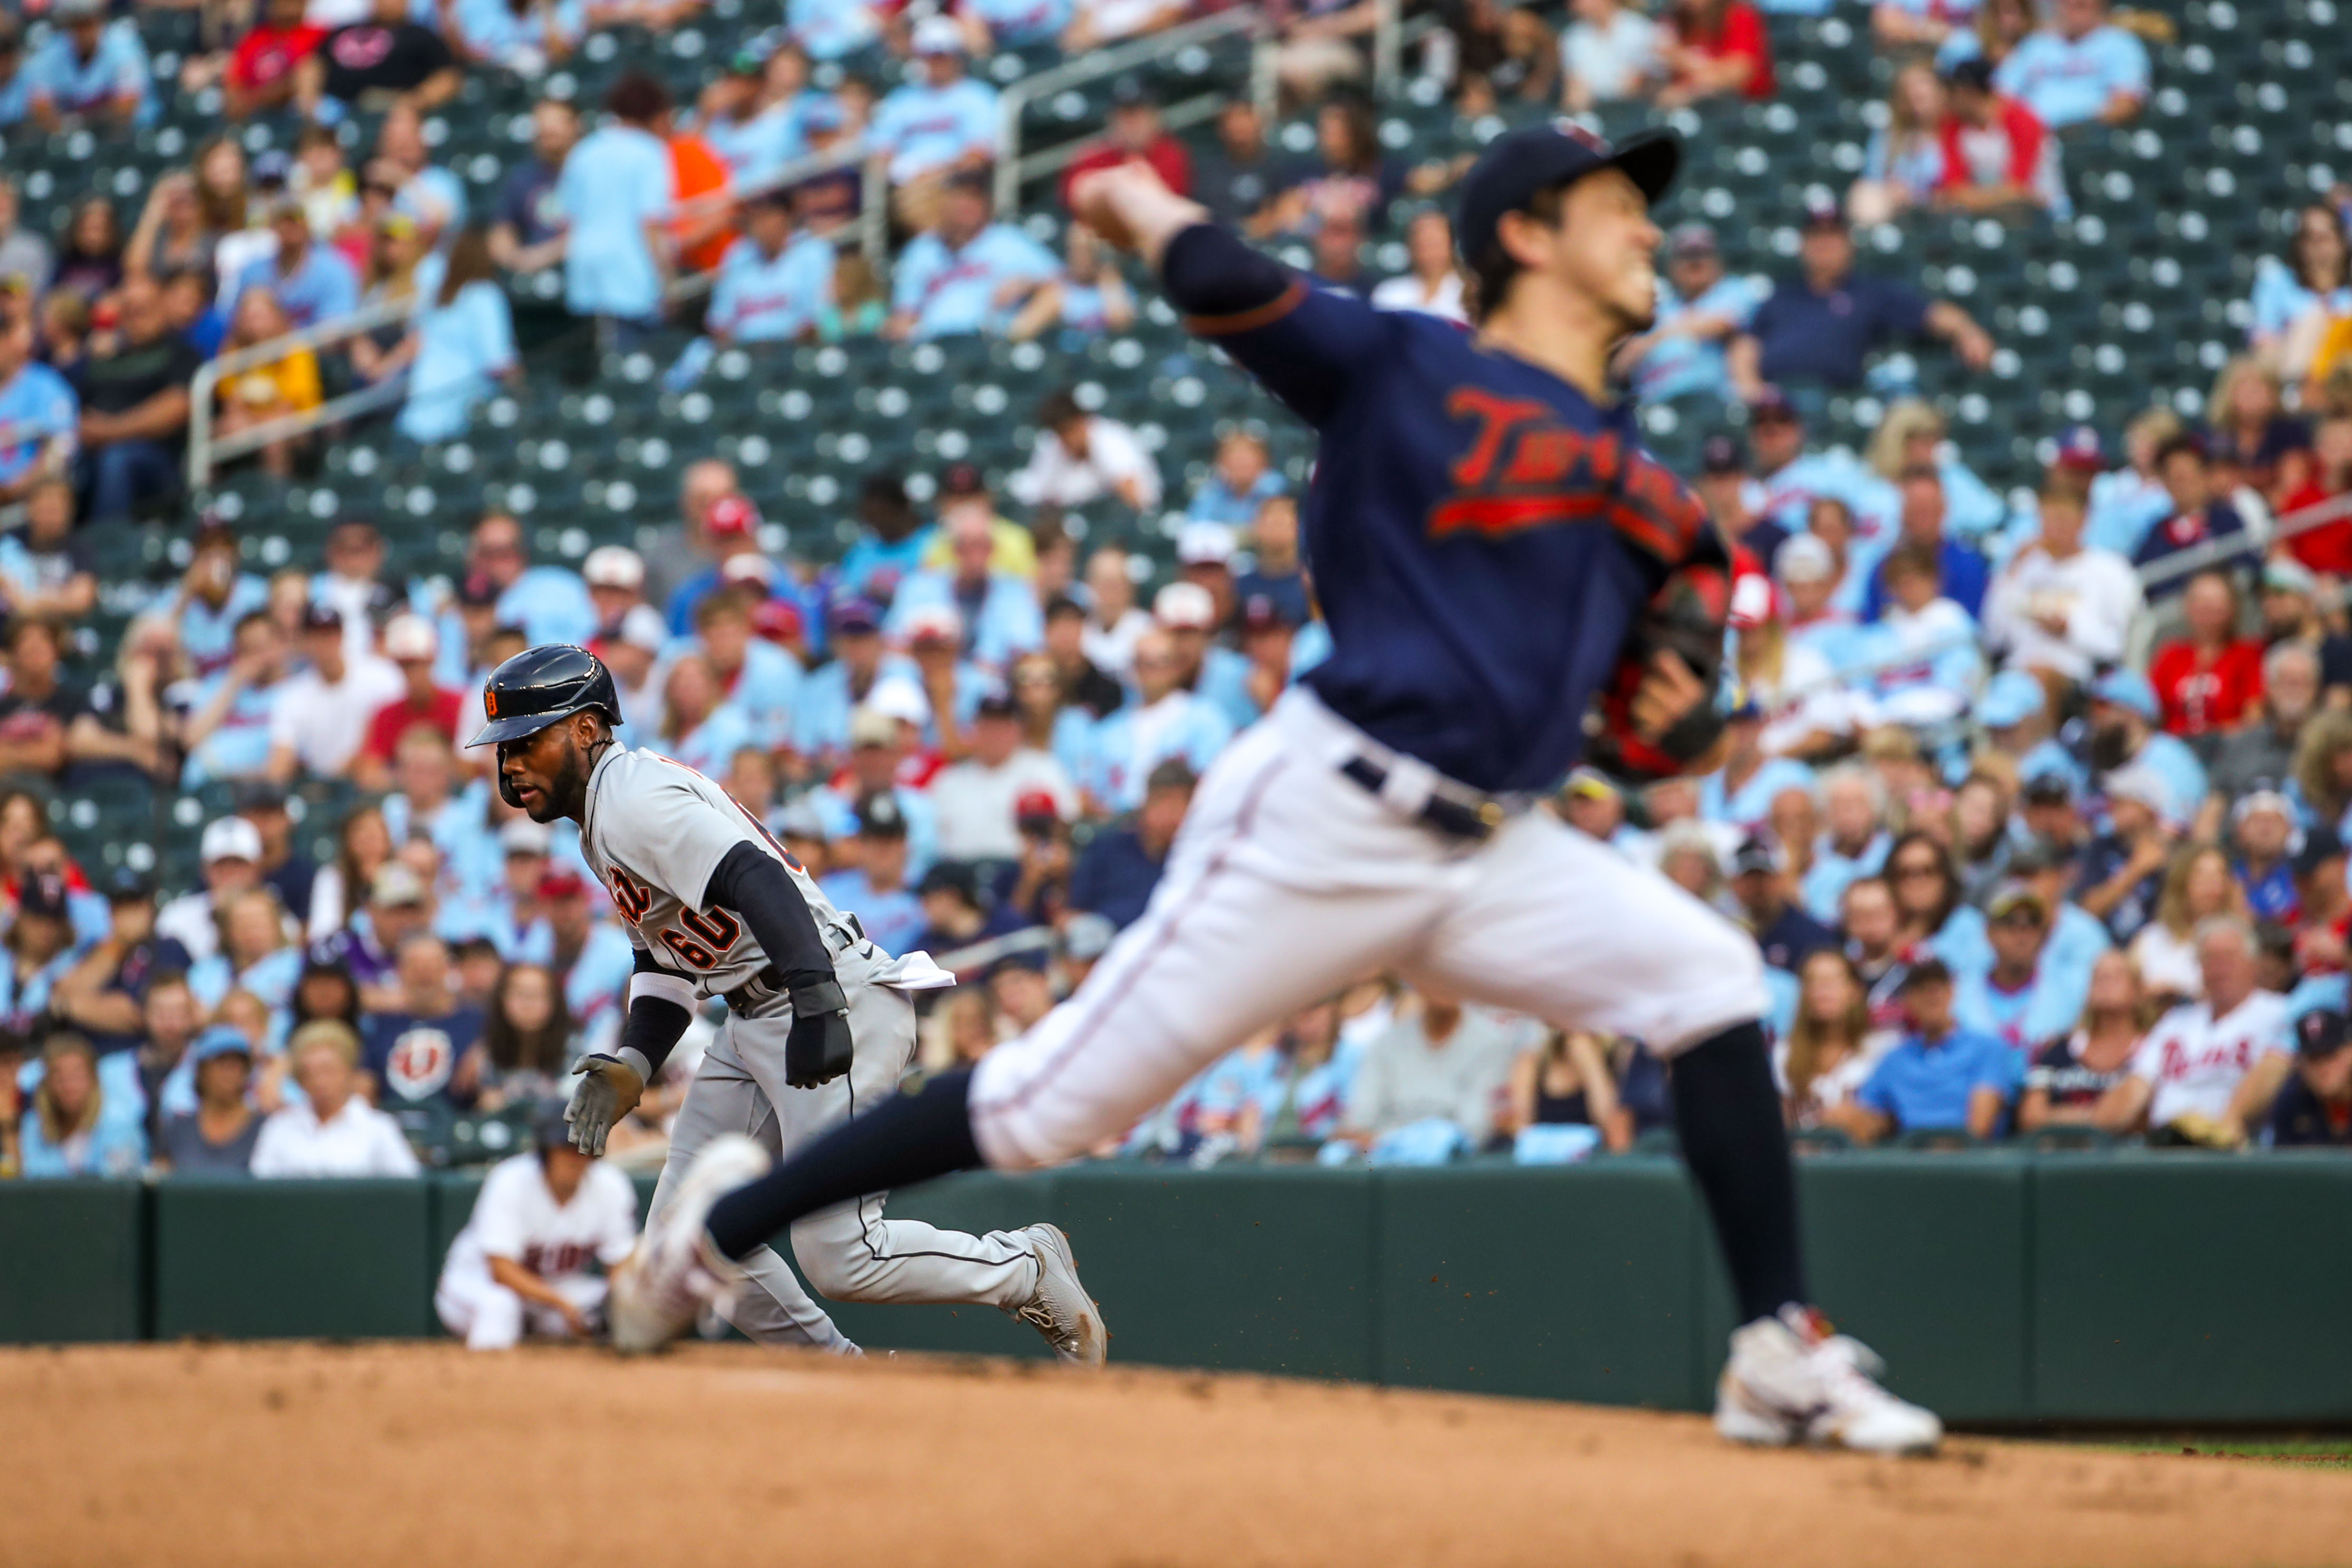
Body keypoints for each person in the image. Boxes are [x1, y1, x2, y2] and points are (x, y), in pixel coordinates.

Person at [620, 130, 1944, 1454]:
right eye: (1616, 206)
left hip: (1493, 845)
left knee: (1710, 981)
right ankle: (723, 1227)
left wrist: (1686, 732)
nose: (1650, 231)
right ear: (1527, 238)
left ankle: (1778, 1347)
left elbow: (1659, 727)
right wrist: (1133, 195)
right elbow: (1230, 282)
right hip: (1330, 814)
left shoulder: (1640, 489)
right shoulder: (1416, 368)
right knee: (1045, 1109)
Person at [469, 644, 1101, 1362]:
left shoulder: (631, 799)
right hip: (754, 1012)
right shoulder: (600, 820)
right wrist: (636, 1061)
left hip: (830, 993)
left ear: (585, 729)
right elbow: (664, 962)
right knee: (687, 1245)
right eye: (503, 749)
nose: (511, 763)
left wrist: (815, 1001)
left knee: (840, 1257)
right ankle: (841, 1375)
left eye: (527, 741)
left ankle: (1023, 1267)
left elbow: (754, 877)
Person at [1730, 204, 1993, 400]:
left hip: (1834, 398)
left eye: (1833, 236)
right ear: (1803, 245)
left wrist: (1967, 331)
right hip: (1777, 401)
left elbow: (1932, 314)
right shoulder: (1782, 295)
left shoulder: (1868, 293)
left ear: (1849, 244)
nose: (1824, 244)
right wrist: (1751, 390)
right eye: (1816, 236)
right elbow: (1745, 346)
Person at [434, 1105, 640, 1349]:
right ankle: (487, 1381)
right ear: (545, 1152)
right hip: (479, 1282)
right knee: (500, 1307)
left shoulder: (610, 1186)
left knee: (611, 1308)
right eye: (565, 1148)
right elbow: (501, 1270)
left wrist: (614, 1308)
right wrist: (562, 1304)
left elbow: (619, 1267)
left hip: (557, 1287)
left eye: (584, 1147)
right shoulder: (510, 1181)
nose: (576, 1156)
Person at [2098, 917, 2291, 1146]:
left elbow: (2276, 1070)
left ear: (2253, 963)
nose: (2218, 970)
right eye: (2209, 959)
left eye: (2228, 958)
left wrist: (2224, 1128)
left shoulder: (2278, 1012)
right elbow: (2137, 1085)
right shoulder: (2175, 1021)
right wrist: (2096, 1123)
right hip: (2163, 1146)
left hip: (2232, 1149)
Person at [1831, 958, 2017, 1143]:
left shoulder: (1986, 1048)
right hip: (1907, 1160)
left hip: (1968, 1161)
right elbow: (1868, 1110)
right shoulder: (1896, 1058)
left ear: (1952, 991)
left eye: (1937, 988)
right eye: (1921, 989)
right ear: (1907, 999)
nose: (1931, 997)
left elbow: (1980, 1126)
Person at [71, 275, 203, 522]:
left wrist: (110, 431)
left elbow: (176, 408)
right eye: (130, 311)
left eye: (145, 309)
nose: (137, 317)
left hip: (159, 462)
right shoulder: (104, 360)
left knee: (117, 459)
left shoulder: (181, 353)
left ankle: (111, 545)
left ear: (162, 308)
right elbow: (73, 408)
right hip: (93, 453)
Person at [556, 72, 676, 335]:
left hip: (585, 273)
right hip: (631, 277)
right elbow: (652, 224)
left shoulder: (583, 151)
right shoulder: (650, 152)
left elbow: (566, 221)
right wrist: (668, 282)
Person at [885, 176, 1058, 341]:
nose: (966, 206)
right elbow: (904, 314)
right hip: (930, 341)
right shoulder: (922, 249)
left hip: (993, 336)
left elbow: (1061, 284)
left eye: (973, 198)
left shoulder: (1008, 239)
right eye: (958, 199)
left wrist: (1027, 284)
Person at [250, 1019, 422, 1177]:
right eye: (310, 1073)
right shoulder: (279, 1127)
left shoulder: (379, 1128)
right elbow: (261, 1187)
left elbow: (407, 1187)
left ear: (349, 1072)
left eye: (329, 1071)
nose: (320, 1082)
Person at [1615, 222, 1762, 405]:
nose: (1695, 262)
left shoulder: (1734, 290)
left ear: (1717, 260)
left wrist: (1657, 337)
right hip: (1656, 402)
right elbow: (1622, 365)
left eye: (1702, 254)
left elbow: (1723, 324)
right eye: (1686, 256)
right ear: (1672, 266)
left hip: (1711, 399)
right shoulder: (1661, 306)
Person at [2015, 949, 2147, 1132]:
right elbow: (2031, 1117)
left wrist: (2059, 1116)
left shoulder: (2152, 1050)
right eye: (2099, 977)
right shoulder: (2058, 1049)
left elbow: (2146, 1119)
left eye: (2116, 977)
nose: (2105, 983)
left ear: (2138, 990)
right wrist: (2102, 1117)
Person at [1775, 949, 1889, 1130]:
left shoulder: (1882, 1050)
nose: (1820, 990)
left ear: (1855, 990)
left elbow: (1893, 1121)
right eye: (1812, 981)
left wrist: (1862, 1120)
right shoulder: (1784, 1052)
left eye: (1831, 982)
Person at [1991, 0, 2147, 131]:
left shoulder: (2121, 43)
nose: (2073, 4)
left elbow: (2126, 105)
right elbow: (2000, 97)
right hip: (2031, 139)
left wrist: (2080, 127)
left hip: (2089, 140)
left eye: (2081, 4)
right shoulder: (2035, 44)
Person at [295, 0, 460, 117]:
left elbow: (448, 77)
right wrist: (309, 104)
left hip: (392, 109)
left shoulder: (421, 35)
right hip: (334, 106)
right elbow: (313, 63)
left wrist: (412, 102)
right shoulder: (345, 30)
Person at [17, 1031, 147, 1176]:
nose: (69, 1086)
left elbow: (120, 1184)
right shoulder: (34, 1125)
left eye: (77, 1076)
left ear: (93, 1079)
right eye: (59, 1077)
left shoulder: (119, 1122)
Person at [2267, 1007, 2352, 1146]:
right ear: (2300, 1063)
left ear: (2350, 1052)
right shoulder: (2291, 1102)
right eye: (2314, 1059)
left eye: (2330, 1056)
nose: (2323, 1069)